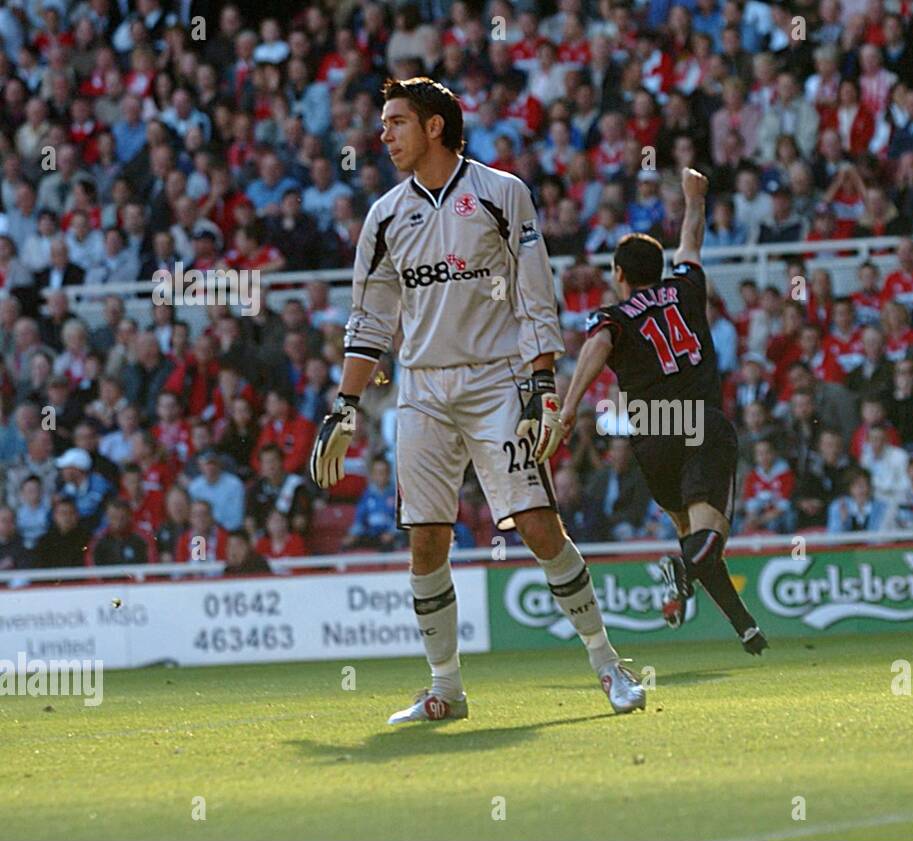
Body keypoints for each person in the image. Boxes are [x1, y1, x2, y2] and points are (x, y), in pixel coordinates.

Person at [309, 77, 644, 725]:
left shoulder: (501, 193)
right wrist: (344, 405)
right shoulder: (382, 217)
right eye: (383, 124)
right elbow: (370, 320)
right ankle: (446, 688)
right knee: (426, 540)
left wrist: (543, 381)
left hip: (496, 382)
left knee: (540, 524)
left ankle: (608, 664)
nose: (384, 135)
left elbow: (533, 291)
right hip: (422, 388)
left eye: (396, 121)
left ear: (434, 126)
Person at [551, 166, 768, 655]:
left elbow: (597, 345)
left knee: (692, 534)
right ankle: (682, 569)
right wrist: (695, 199)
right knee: (712, 535)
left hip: (651, 434)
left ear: (620, 275)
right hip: (700, 421)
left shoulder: (611, 316)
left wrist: (568, 410)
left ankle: (744, 627)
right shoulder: (687, 287)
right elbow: (690, 240)